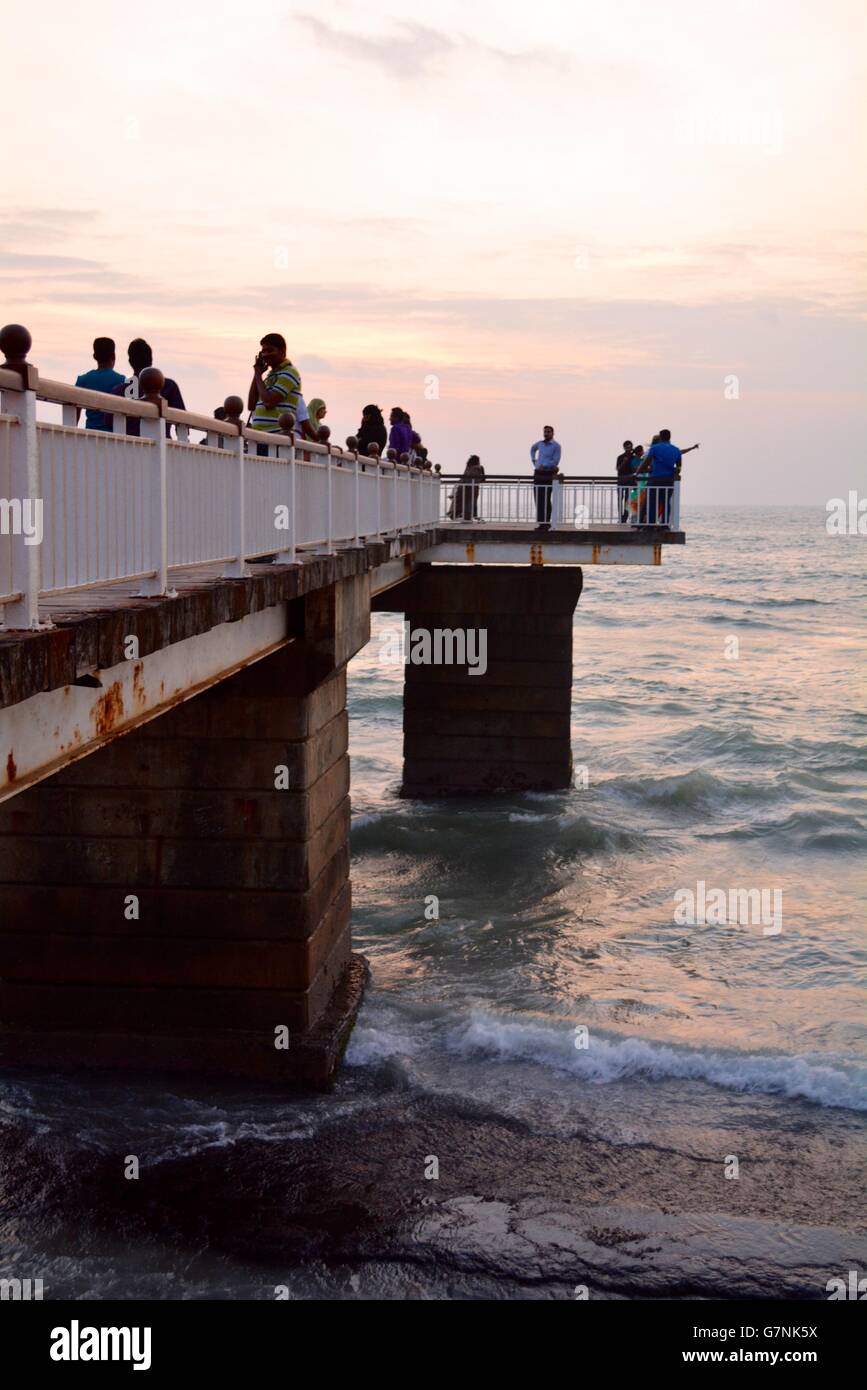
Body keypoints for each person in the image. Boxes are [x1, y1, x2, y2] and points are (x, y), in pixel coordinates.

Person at [111, 339, 185, 437]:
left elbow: (109, 421)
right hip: (162, 446)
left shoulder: (119, 391)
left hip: (128, 448)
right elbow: (182, 420)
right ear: (151, 359)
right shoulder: (169, 386)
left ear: (130, 362)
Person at [248, 333, 301, 455]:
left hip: (275, 441)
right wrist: (257, 374)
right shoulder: (270, 376)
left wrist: (258, 375)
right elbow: (251, 405)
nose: (266, 354)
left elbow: (268, 402)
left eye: (270, 350)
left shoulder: (290, 372)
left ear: (282, 351)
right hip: (259, 438)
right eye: (263, 351)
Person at [75, 338, 124, 431]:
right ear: (113, 356)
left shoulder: (83, 380)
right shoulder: (121, 380)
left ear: (94, 356)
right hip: (113, 438)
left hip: (90, 436)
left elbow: (74, 417)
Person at [642, 428, 686, 524]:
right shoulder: (676, 450)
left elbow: (646, 463)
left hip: (655, 480)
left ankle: (651, 524)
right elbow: (678, 467)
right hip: (668, 480)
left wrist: (637, 473)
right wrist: (675, 471)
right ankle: (664, 524)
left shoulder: (654, 448)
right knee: (666, 502)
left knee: (652, 502)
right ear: (669, 437)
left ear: (661, 437)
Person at [530, 425, 561, 530]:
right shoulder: (540, 444)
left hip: (548, 473)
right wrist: (534, 460)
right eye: (545, 432)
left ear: (553, 433)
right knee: (538, 498)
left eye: (548, 432)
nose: (546, 433)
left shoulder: (556, 446)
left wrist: (546, 465)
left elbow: (556, 461)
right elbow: (532, 449)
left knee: (546, 498)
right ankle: (541, 523)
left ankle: (547, 522)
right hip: (538, 473)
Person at [449, 455, 485, 520]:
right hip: (473, 488)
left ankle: (457, 515)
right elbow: (482, 479)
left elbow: (464, 476)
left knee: (462, 501)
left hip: (463, 486)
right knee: (471, 502)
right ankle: (471, 516)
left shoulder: (468, 467)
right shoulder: (479, 468)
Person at [616, 438, 635, 522]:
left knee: (628, 499)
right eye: (627, 447)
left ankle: (625, 517)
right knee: (620, 498)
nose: (629, 449)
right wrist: (624, 462)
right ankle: (620, 517)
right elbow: (618, 468)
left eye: (630, 447)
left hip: (630, 481)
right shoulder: (620, 457)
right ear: (624, 448)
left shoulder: (634, 457)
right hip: (621, 480)